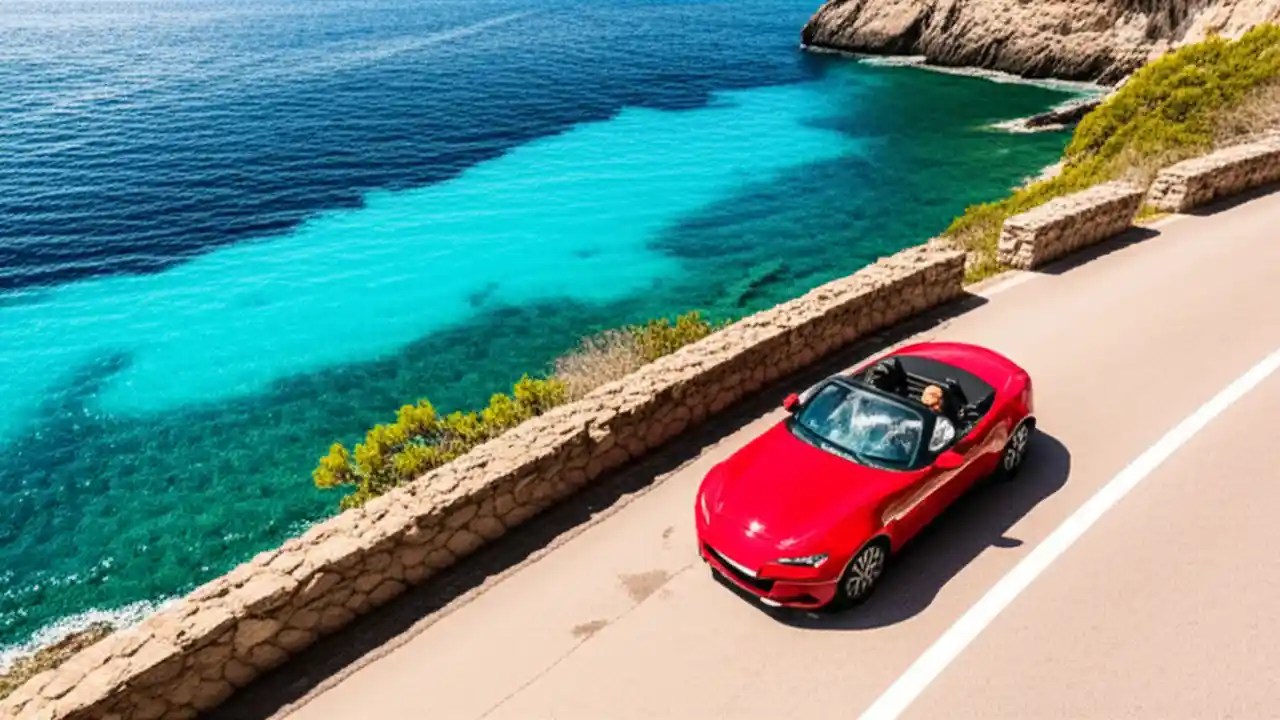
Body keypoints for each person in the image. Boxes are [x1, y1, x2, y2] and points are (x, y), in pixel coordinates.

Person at [921, 385, 957, 452]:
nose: (936, 408)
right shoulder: (922, 418)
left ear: (942, 399)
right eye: (931, 406)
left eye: (937, 403)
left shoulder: (946, 424)